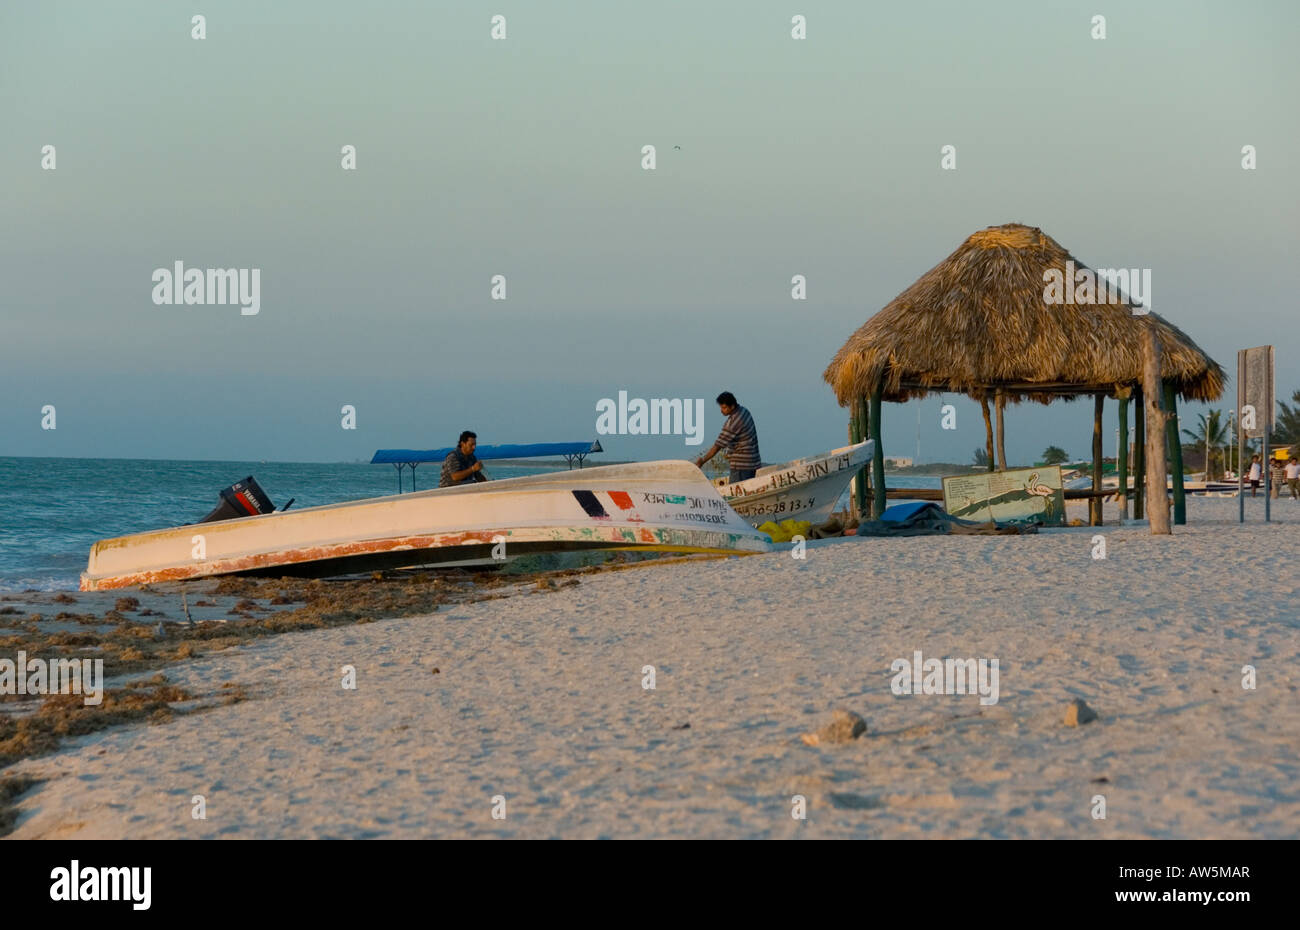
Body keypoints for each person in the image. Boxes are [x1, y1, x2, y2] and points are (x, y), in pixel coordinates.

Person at [694, 392, 761, 483]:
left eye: (724, 408)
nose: (722, 410)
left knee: (735, 495)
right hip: (753, 463)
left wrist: (702, 461)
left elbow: (717, 446)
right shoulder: (744, 411)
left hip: (741, 466)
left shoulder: (733, 422)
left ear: (732, 406)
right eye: (721, 407)